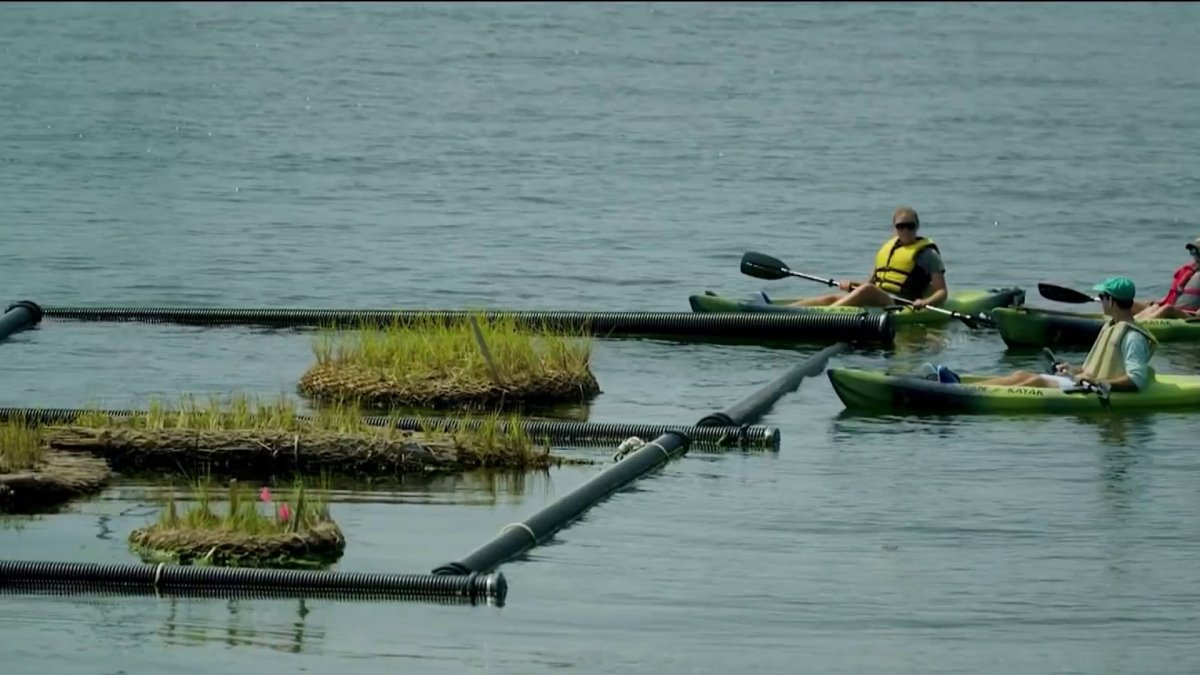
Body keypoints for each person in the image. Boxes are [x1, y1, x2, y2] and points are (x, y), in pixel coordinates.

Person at [977, 277, 1157, 392]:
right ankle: (970, 388)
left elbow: (1136, 379)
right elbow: (1093, 369)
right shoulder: (1111, 326)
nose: (1100, 301)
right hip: (1084, 383)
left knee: (1034, 381)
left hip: (1092, 390)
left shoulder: (1133, 337)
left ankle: (974, 394)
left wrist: (1100, 382)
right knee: (1021, 374)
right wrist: (1073, 368)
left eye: (1102, 297)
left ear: (1111, 300)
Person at [788, 206, 948, 309]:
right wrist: (851, 284)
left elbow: (942, 291)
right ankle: (786, 310)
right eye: (901, 226)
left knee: (866, 290)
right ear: (895, 228)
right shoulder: (889, 248)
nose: (906, 230)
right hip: (878, 295)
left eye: (910, 226)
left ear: (917, 226)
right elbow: (871, 283)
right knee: (832, 297)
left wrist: (925, 302)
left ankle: (824, 317)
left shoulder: (928, 255)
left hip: (900, 303)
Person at [1133, 236, 1200, 320]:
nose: (1196, 256)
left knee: (1167, 309)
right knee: (1131, 304)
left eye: (1199, 252)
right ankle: (1125, 323)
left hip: (1189, 315)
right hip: (1175, 308)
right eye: (1193, 251)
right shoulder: (1191, 272)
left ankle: (1137, 325)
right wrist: (1159, 302)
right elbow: (1178, 295)